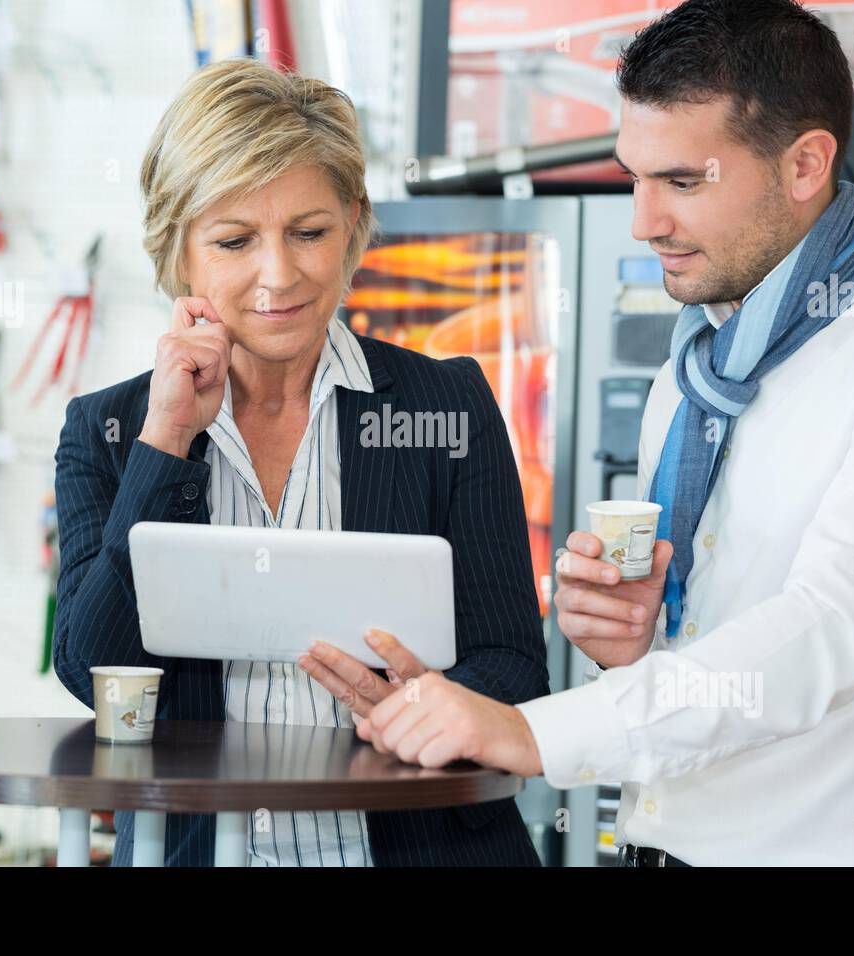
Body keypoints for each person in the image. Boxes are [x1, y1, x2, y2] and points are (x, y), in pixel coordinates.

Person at [341, 0, 854, 867]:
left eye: (682, 181)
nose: (643, 221)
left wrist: (526, 731)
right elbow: (700, 661)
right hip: (652, 846)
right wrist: (635, 640)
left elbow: (825, 630)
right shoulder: (696, 364)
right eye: (634, 176)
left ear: (808, 163)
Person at [52, 58, 548, 866]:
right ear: (179, 252)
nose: (278, 275)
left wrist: (425, 699)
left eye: (309, 232)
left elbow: (518, 670)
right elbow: (93, 670)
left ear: (353, 222)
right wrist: (167, 440)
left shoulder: (445, 405)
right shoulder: (110, 429)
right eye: (234, 240)